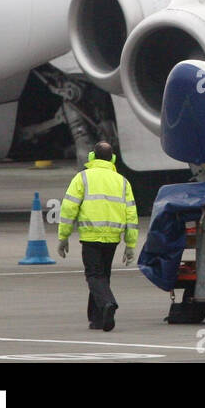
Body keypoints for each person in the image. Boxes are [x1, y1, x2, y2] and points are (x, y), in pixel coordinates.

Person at [56, 141, 138, 332]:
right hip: (112, 238)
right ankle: (98, 319)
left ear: (92, 157)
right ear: (113, 159)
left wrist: (63, 236)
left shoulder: (82, 178)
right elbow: (131, 214)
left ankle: (108, 304)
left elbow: (69, 208)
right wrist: (130, 244)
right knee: (103, 276)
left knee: (94, 275)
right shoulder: (122, 181)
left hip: (91, 235)